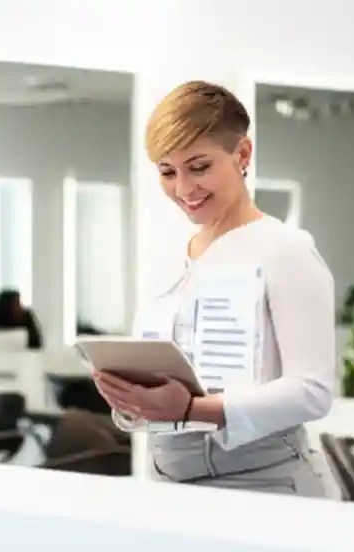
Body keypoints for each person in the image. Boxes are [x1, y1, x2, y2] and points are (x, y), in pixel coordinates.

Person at [91, 81, 336, 496]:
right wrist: (132, 400)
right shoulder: (167, 263)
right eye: (168, 172)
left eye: (199, 166)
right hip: (171, 482)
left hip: (265, 483)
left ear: (242, 154)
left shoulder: (286, 251)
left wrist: (190, 409)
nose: (184, 189)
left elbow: (312, 391)